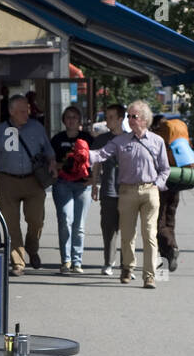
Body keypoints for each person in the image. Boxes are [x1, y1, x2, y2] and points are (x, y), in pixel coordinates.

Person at [88, 100, 169, 288]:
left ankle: (149, 275)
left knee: (149, 234)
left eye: (135, 116)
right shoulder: (120, 141)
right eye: (130, 116)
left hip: (150, 191)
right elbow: (101, 154)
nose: (131, 120)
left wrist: (157, 184)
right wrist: (85, 153)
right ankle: (127, 268)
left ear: (145, 119)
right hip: (126, 191)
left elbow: (165, 169)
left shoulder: (157, 141)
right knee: (127, 234)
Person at [0, 94, 56, 275]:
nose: (27, 114)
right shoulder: (0, 131)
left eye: (28, 110)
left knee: (36, 220)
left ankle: (32, 247)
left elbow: (48, 151)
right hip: (8, 181)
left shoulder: (36, 128)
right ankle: (18, 262)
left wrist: (52, 164)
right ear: (12, 112)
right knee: (11, 224)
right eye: (22, 111)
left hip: (33, 180)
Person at [50, 105, 94, 274]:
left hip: (82, 185)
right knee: (65, 221)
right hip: (63, 184)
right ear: (63, 120)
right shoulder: (57, 139)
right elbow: (51, 161)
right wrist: (64, 165)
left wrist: (93, 179)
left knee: (79, 225)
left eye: (75, 117)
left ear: (80, 121)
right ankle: (66, 261)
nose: (71, 120)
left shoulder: (87, 138)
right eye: (68, 117)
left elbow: (96, 160)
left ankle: (77, 261)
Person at [151, 112, 194, 273]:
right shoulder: (177, 133)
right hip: (177, 179)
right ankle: (168, 254)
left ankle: (170, 249)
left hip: (163, 183)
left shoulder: (157, 135)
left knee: (159, 220)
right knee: (170, 218)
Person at [91, 103, 124, 277]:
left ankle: (126, 265)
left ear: (120, 119)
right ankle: (108, 263)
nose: (108, 121)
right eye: (107, 117)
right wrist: (95, 184)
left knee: (127, 229)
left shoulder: (130, 137)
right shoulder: (101, 139)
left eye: (111, 117)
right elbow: (96, 163)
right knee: (109, 228)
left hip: (127, 191)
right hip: (108, 189)